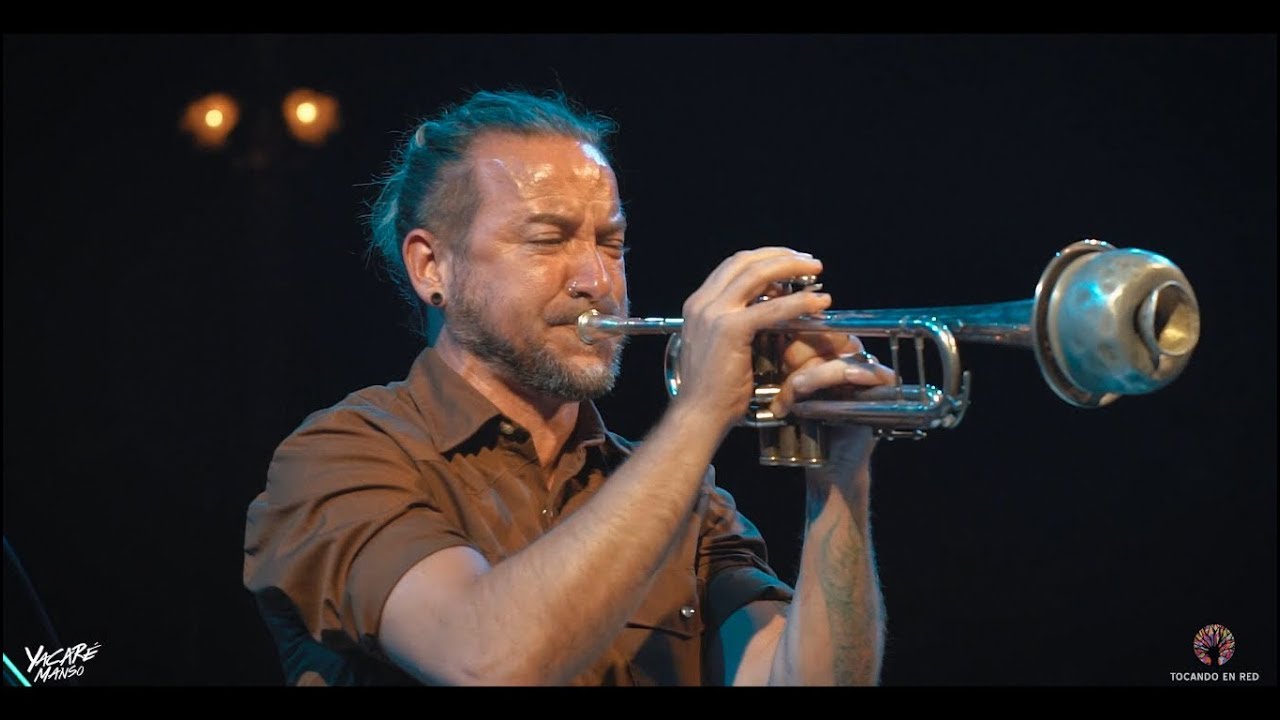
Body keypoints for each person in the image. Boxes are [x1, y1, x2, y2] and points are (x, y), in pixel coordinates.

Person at [242, 89, 898, 686]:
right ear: (431, 266)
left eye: (610, 243)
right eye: (548, 239)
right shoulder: (339, 459)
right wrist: (700, 412)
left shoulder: (687, 499)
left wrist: (841, 471)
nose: (595, 278)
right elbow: (487, 661)